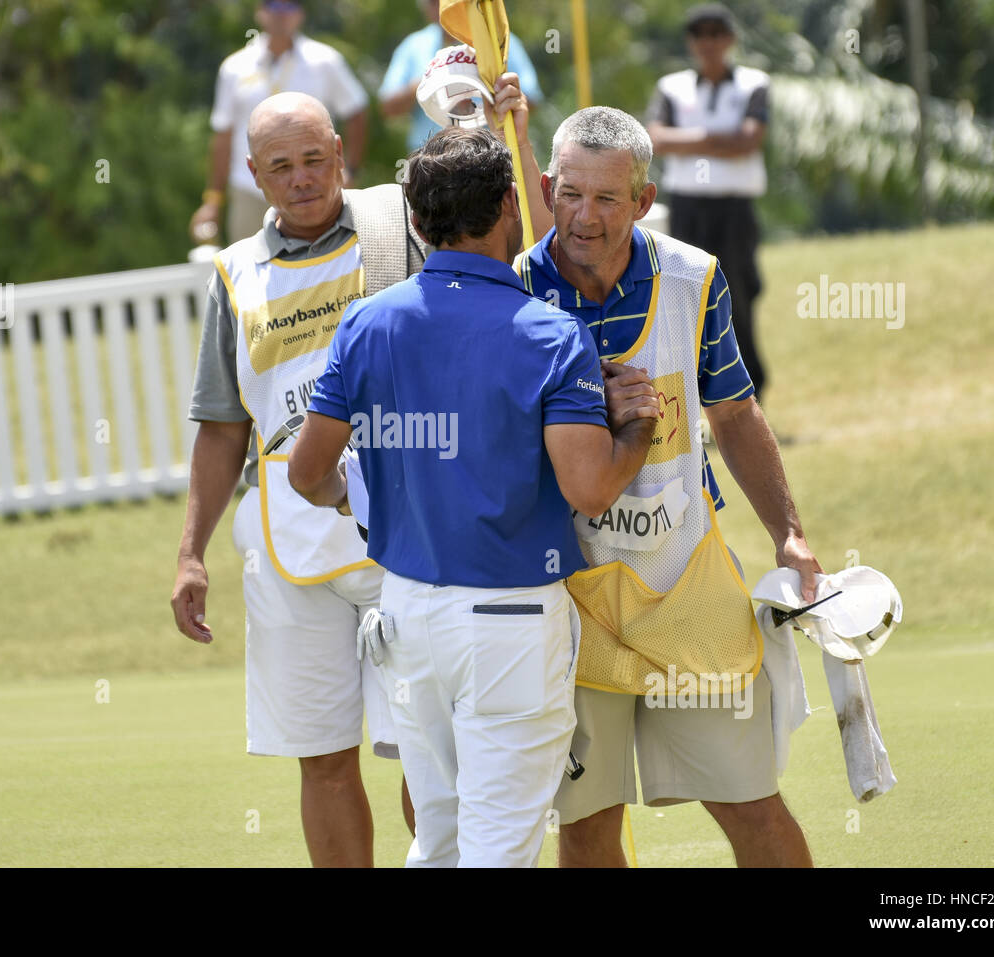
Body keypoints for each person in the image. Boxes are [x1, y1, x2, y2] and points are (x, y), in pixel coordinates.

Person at [169, 75, 537, 866]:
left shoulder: (396, 223)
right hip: (287, 539)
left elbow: (498, 227)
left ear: (341, 152)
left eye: (314, 157)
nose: (301, 178)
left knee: (422, 746)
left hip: (406, 523)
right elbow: (222, 421)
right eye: (280, 166)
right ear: (252, 173)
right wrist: (191, 550)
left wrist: (491, 111)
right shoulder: (234, 272)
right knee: (324, 756)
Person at [286, 126, 659, 867]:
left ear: (417, 223)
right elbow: (588, 487)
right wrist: (639, 429)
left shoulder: (367, 320)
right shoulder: (549, 333)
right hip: (510, 621)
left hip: (406, 612)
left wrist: (351, 498)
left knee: (441, 841)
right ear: (512, 208)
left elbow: (306, 474)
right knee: (497, 849)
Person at [513, 105, 820, 867]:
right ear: (547, 188)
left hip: (689, 581)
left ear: (643, 201)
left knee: (750, 802)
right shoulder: (513, 288)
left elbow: (736, 411)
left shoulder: (694, 276)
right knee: (586, 827)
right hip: (572, 598)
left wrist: (790, 531)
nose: (585, 216)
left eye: (608, 199)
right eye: (572, 193)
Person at [646, 2, 771, 402]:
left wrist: (691, 140)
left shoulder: (753, 83)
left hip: (734, 210)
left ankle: (750, 395)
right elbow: (656, 139)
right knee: (686, 301)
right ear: (691, 42)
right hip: (688, 208)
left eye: (717, 33)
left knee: (739, 298)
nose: (709, 42)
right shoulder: (672, 86)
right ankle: (693, 396)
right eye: (701, 34)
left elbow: (750, 140)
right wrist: (720, 138)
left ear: (730, 39)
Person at [190, 0, 368, 248]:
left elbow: (356, 111)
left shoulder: (325, 61)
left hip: (312, 182)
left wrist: (350, 170)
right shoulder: (235, 67)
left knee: (324, 261)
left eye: (290, 6)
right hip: (250, 189)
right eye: (273, 5)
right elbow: (222, 137)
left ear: (301, 14)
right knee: (250, 269)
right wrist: (213, 199)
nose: (282, 13)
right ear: (260, 13)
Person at [380, 0, 543, 152]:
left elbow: (532, 98)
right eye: (433, 2)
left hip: (489, 154)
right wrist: (427, 83)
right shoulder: (413, 46)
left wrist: (497, 88)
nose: (440, 7)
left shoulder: (499, 38)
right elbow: (388, 107)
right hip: (429, 160)